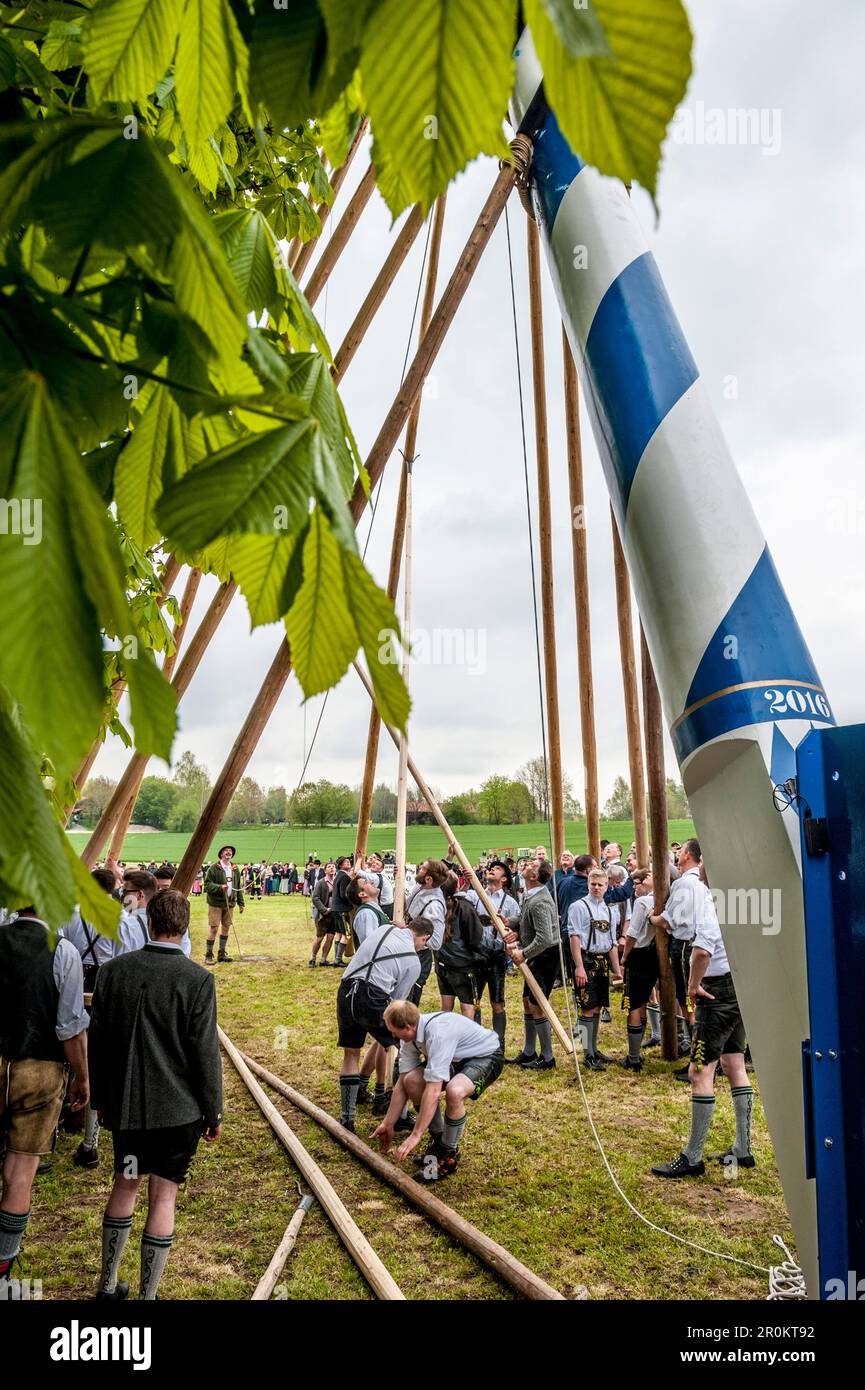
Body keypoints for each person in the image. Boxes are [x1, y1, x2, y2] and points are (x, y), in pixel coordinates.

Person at [89, 889, 222, 1299]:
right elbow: (205, 1053)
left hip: (126, 1111)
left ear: (150, 923)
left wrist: (101, 1101)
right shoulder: (198, 980)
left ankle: (108, 1282)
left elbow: (98, 1042)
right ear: (184, 927)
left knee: (125, 1183)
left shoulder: (113, 973)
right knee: (164, 1195)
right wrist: (213, 1111)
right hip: (178, 1114)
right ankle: (148, 1296)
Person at [0, 906, 89, 1287]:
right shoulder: (64, 951)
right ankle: (2, 1267)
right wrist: (83, 1077)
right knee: (20, 1175)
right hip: (39, 1068)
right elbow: (70, 1028)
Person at [651, 884, 755, 1179]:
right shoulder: (744, 899)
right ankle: (743, 1148)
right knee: (734, 1062)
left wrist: (693, 985)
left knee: (699, 1071)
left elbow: (701, 951)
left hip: (717, 991)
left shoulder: (717, 901)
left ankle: (692, 1157)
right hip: (740, 985)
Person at [372, 1001, 503, 1183]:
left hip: (485, 1056)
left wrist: (415, 1135)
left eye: (394, 1031)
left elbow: (433, 1093)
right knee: (412, 1081)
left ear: (409, 1026)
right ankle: (439, 1143)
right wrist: (388, 1123)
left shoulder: (438, 1034)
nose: (392, 1035)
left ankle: (449, 1156)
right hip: (455, 1058)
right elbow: (402, 1084)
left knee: (454, 1091)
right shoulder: (410, 1038)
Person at [336, 917, 432, 1130]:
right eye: (425, 943)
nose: (423, 947)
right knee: (400, 1047)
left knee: (351, 1053)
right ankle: (398, 1112)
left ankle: (347, 1118)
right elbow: (397, 1006)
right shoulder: (413, 962)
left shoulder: (384, 928)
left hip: (346, 990)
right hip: (373, 997)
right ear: (425, 938)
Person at [649, 838, 704, 1073]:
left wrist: (653, 918)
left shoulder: (684, 884)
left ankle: (698, 1062)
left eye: (681, 851)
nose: (678, 854)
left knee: (688, 1004)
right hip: (700, 943)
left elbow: (668, 920)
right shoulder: (703, 883)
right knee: (694, 1003)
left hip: (685, 946)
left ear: (688, 855)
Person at [505, 859, 561, 1070]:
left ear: (534, 877)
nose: (526, 865)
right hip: (539, 955)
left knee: (537, 1005)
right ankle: (529, 1051)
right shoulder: (532, 896)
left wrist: (523, 953)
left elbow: (545, 937)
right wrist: (509, 921)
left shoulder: (540, 902)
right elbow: (524, 918)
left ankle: (547, 1057)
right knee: (527, 1002)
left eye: (531, 866)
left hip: (546, 956)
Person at [566, 868, 623, 1071]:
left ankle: (594, 1048)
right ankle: (587, 1053)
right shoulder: (578, 907)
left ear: (607, 886)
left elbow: (612, 943)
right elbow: (574, 938)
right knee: (586, 1007)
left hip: (602, 962)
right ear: (588, 884)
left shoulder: (610, 911)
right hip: (586, 960)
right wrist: (579, 967)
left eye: (601, 885)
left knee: (598, 1005)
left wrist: (617, 971)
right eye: (593, 884)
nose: (597, 888)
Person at [463, 861, 519, 1045]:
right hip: (476, 955)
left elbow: (517, 930)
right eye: (491, 868)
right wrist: (467, 882)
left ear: (504, 878)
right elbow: (458, 896)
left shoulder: (510, 903)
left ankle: (498, 1044)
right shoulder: (475, 896)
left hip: (496, 957)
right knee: (474, 1001)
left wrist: (509, 930)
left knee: (497, 1002)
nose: (491, 869)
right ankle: (477, 1042)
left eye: (497, 869)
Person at [619, 868, 657, 1072]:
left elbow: (633, 933)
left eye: (638, 883)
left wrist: (625, 955)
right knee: (643, 1001)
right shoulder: (663, 899)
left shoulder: (643, 902)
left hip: (639, 953)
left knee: (633, 1003)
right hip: (654, 955)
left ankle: (633, 1056)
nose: (634, 887)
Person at [435, 874, 486, 1020]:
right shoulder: (464, 907)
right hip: (462, 965)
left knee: (446, 1006)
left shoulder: (436, 905)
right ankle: (467, 1040)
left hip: (442, 962)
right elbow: (475, 939)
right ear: (456, 886)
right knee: (467, 1007)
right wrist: (499, 946)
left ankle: (446, 1038)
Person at [404, 860, 449, 1005]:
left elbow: (436, 942)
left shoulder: (434, 906)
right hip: (407, 949)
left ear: (429, 879)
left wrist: (406, 930)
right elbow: (406, 905)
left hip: (419, 957)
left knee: (409, 1000)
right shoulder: (420, 886)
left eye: (422, 868)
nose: (418, 869)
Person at [203, 844, 244, 965]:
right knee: (214, 928)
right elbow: (207, 885)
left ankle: (221, 954)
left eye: (230, 851)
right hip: (215, 903)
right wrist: (220, 887)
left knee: (226, 928)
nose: (228, 852)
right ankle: (208, 955)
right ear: (221, 854)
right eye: (226, 851)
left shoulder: (235, 869)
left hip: (230, 904)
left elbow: (238, 887)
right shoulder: (213, 868)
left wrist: (241, 903)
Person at [346, 875, 388, 949]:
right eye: (366, 882)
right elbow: (370, 947)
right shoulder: (366, 913)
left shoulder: (372, 910)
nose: (371, 882)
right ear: (362, 894)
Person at [309, 861, 336, 967]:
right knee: (319, 937)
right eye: (329, 867)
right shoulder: (321, 882)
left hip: (334, 914)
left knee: (330, 938)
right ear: (325, 870)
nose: (332, 868)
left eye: (333, 866)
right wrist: (324, 910)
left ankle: (323, 959)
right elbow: (315, 898)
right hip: (322, 915)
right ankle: (312, 958)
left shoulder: (337, 881)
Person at [330, 856, 354, 967]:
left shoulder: (338, 875)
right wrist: (354, 898)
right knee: (346, 934)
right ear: (340, 865)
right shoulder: (344, 877)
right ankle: (338, 960)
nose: (348, 863)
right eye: (345, 862)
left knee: (338, 934)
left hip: (335, 909)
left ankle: (336, 958)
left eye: (349, 861)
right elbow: (343, 894)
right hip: (342, 909)